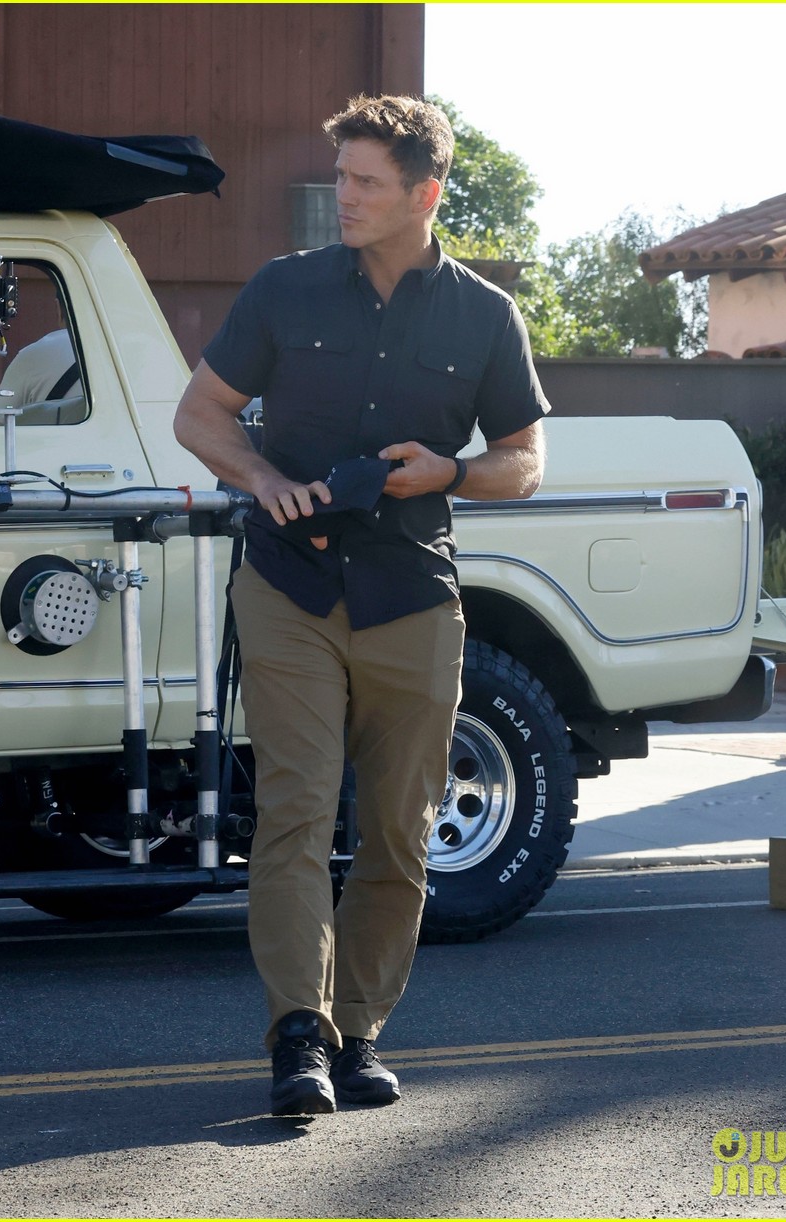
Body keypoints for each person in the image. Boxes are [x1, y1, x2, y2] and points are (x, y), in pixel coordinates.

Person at [174, 94, 549, 1116]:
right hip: (288, 585)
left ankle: (359, 1030)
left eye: (366, 182)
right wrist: (261, 478)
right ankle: (299, 1034)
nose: (342, 196)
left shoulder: (484, 315)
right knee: (295, 808)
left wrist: (450, 472)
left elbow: (524, 460)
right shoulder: (283, 289)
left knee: (398, 828)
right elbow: (199, 414)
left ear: (425, 194)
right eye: (341, 176)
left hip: (411, 594)